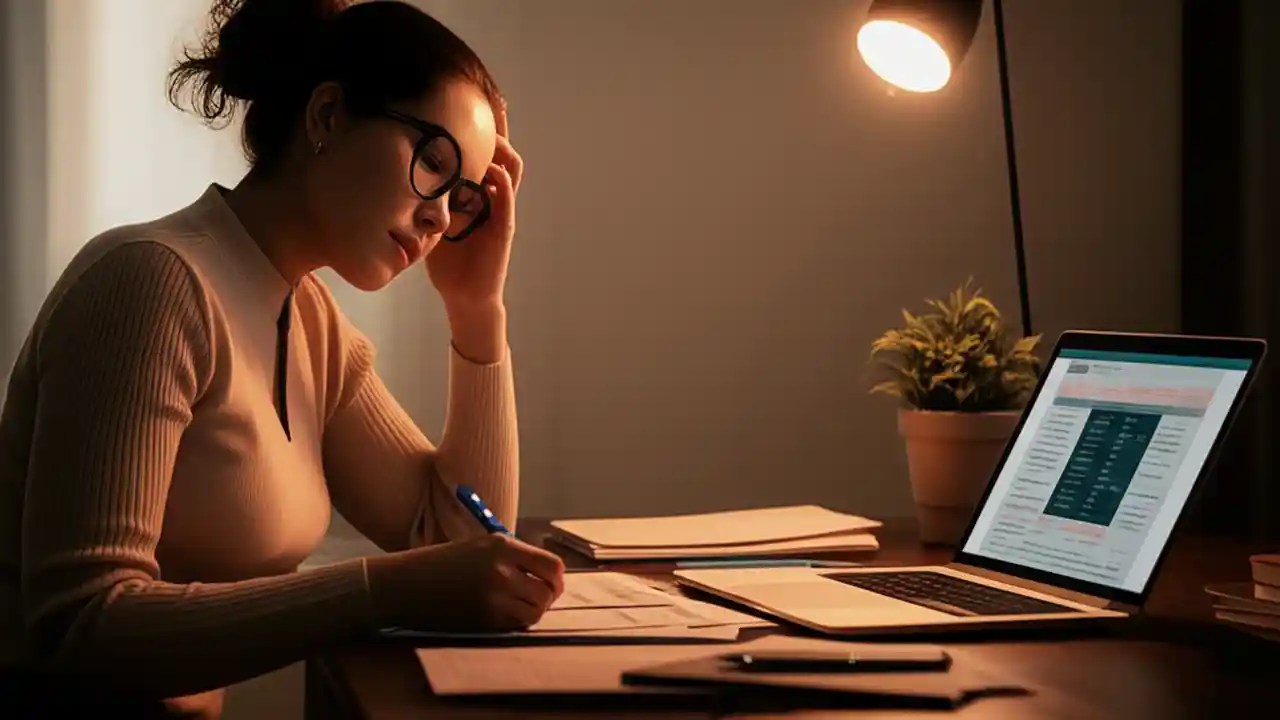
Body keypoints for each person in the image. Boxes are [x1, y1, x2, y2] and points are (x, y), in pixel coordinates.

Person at [0, 0, 566, 715]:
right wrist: (381, 590)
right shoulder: (148, 283)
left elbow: (452, 534)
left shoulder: (311, 323)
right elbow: (82, 627)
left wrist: (477, 308)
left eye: (463, 199)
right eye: (433, 163)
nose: (441, 218)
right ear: (327, 117)